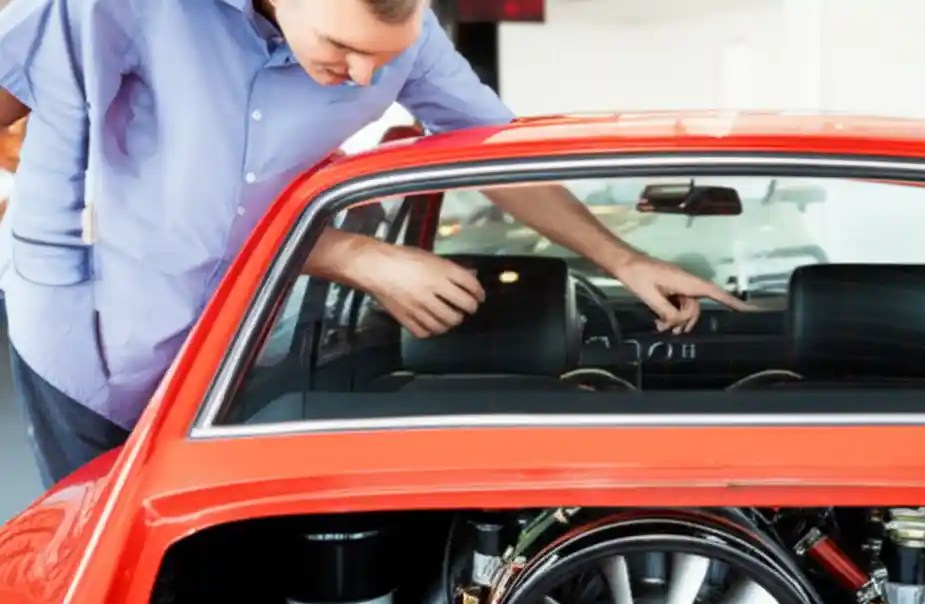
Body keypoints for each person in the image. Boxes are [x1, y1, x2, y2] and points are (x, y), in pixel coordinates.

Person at [0, 0, 751, 488]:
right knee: (107, 572)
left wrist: (622, 258)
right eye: (344, 46)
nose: (362, 76)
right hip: (85, 338)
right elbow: (173, 215)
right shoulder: (130, 9)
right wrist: (349, 253)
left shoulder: (403, 43)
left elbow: (494, 156)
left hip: (229, 351)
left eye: (381, 58)